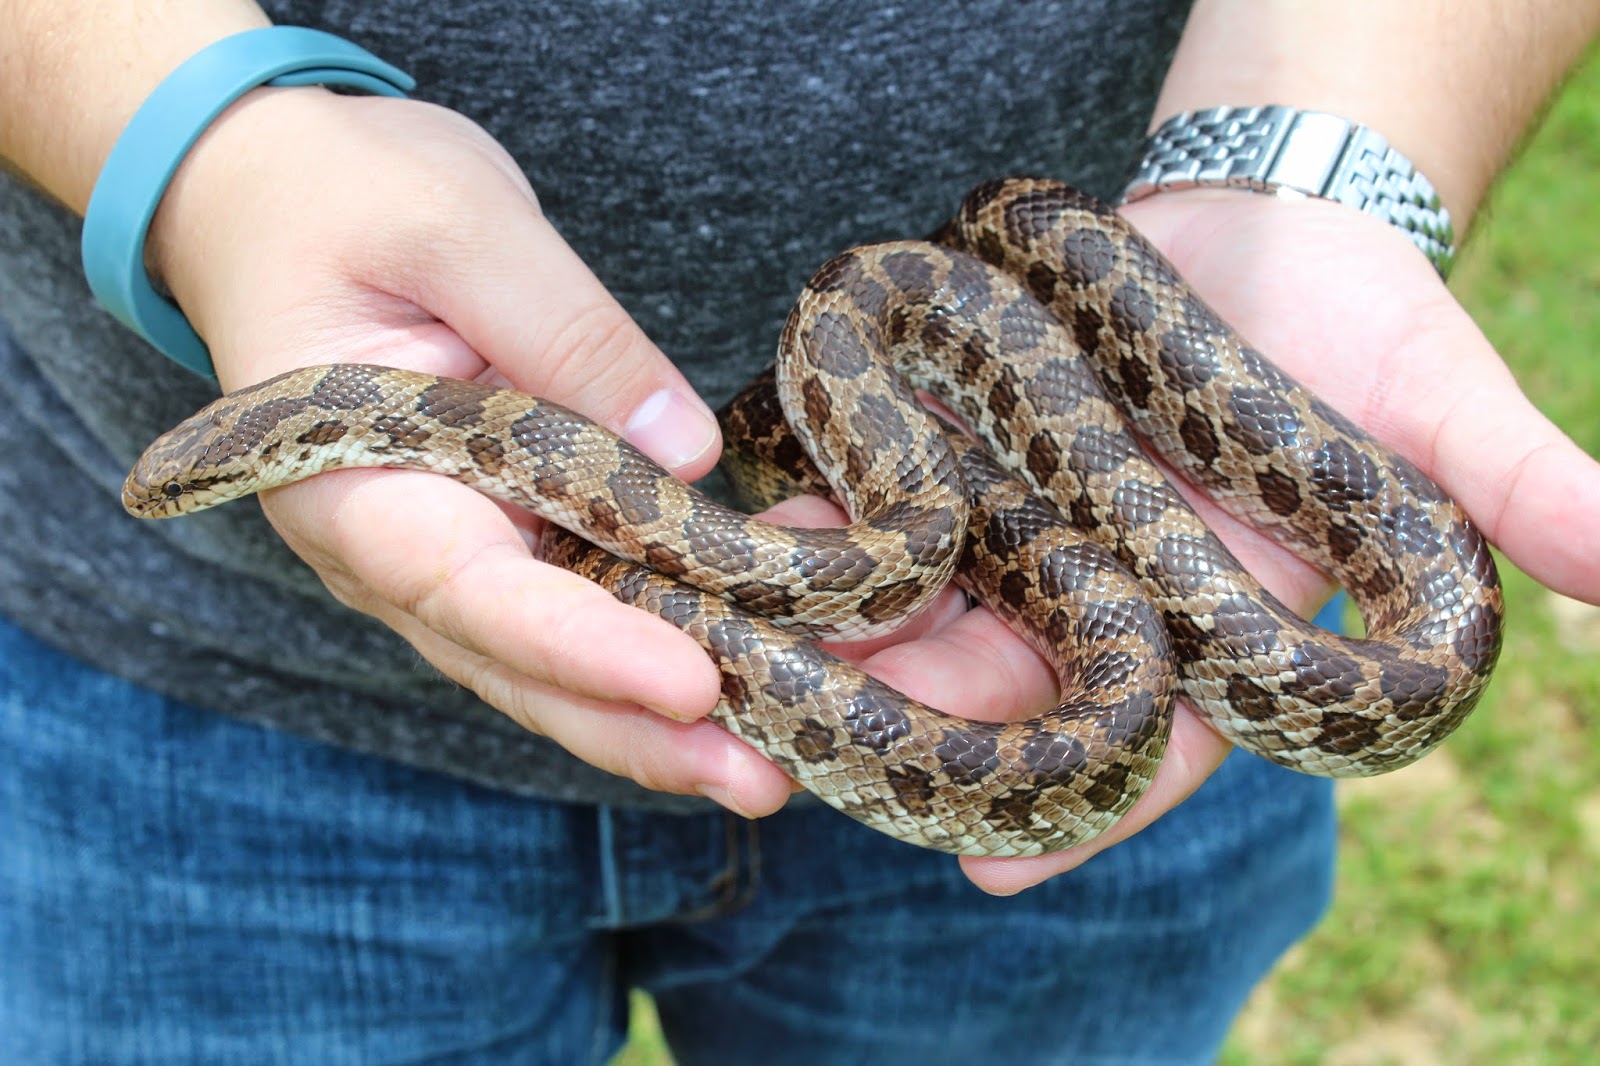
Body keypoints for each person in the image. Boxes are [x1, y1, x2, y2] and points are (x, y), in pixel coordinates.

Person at [2, 1, 1597, 1062]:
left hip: (1064, 789)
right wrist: (212, 154)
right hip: (175, 708)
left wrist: (1305, 170)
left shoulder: (905, 369)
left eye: (193, 461)